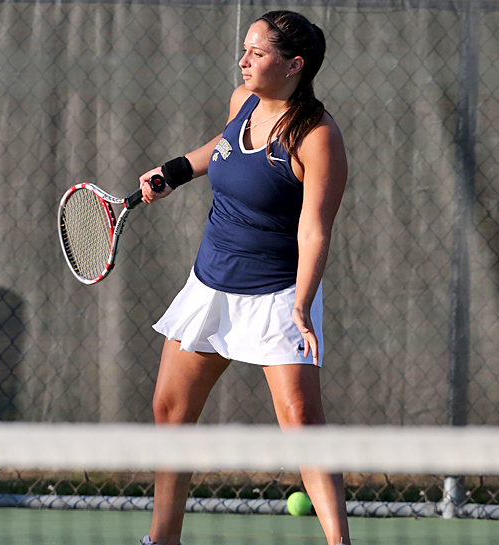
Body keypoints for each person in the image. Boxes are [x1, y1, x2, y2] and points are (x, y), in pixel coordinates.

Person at [136, 10, 349, 545]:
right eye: (245, 49)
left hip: (278, 294)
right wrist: (176, 172)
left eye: (257, 53)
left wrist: (302, 304)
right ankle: (162, 540)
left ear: (294, 65)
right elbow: (223, 146)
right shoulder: (243, 100)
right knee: (170, 409)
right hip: (211, 284)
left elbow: (315, 231)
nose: (244, 60)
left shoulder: (317, 137)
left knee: (301, 420)